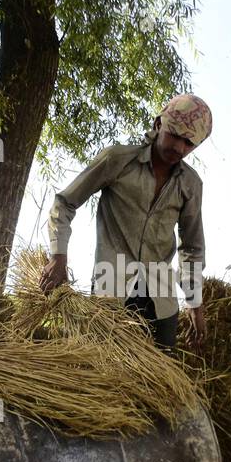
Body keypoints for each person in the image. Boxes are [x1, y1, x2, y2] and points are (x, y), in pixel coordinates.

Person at [41, 94, 211, 351]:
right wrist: (58, 256)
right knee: (105, 377)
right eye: (174, 135)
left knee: (157, 384)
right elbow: (65, 203)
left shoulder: (190, 185)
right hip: (111, 295)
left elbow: (192, 247)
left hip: (161, 304)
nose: (179, 147)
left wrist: (194, 304)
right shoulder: (117, 161)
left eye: (188, 143)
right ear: (157, 125)